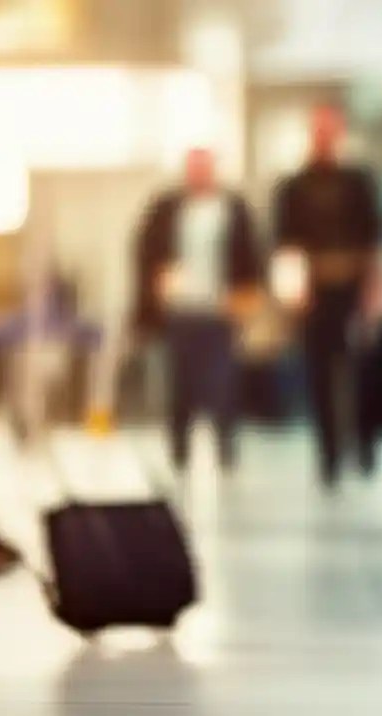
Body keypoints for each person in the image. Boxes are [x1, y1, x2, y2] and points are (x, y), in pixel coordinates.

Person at [273, 104, 382, 488]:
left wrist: (374, 289)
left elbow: (374, 240)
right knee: (319, 373)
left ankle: (364, 446)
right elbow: (285, 244)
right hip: (314, 290)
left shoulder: (358, 182)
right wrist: (294, 291)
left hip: (352, 287)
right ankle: (329, 455)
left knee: (361, 369)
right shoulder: (293, 186)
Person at [132, 148, 262, 476]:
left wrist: (246, 297)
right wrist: (152, 294)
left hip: (220, 309)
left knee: (223, 383)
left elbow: (250, 255)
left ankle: (226, 449)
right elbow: (145, 253)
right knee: (180, 384)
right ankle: (180, 450)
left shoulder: (232, 208)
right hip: (180, 309)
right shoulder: (166, 208)